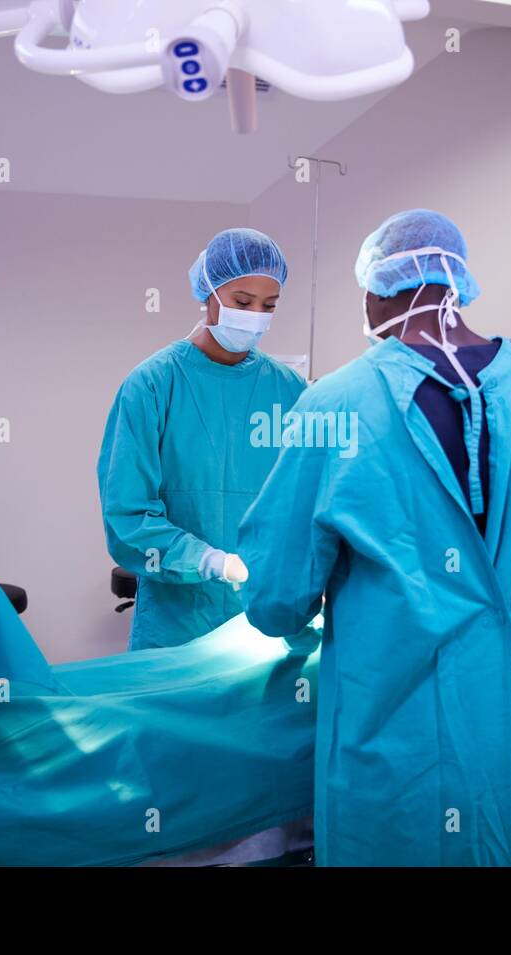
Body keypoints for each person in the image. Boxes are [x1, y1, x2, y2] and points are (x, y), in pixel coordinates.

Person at [238, 210, 511, 866]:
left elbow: (277, 598)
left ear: (378, 291)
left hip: (398, 726)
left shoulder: (336, 407)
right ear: (456, 285)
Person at [97, 228, 306, 650]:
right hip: (178, 624)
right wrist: (211, 562)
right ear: (208, 293)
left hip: (266, 619)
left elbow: (306, 500)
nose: (256, 316)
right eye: (242, 302)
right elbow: (128, 516)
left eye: (269, 306)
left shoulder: (290, 390)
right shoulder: (153, 385)